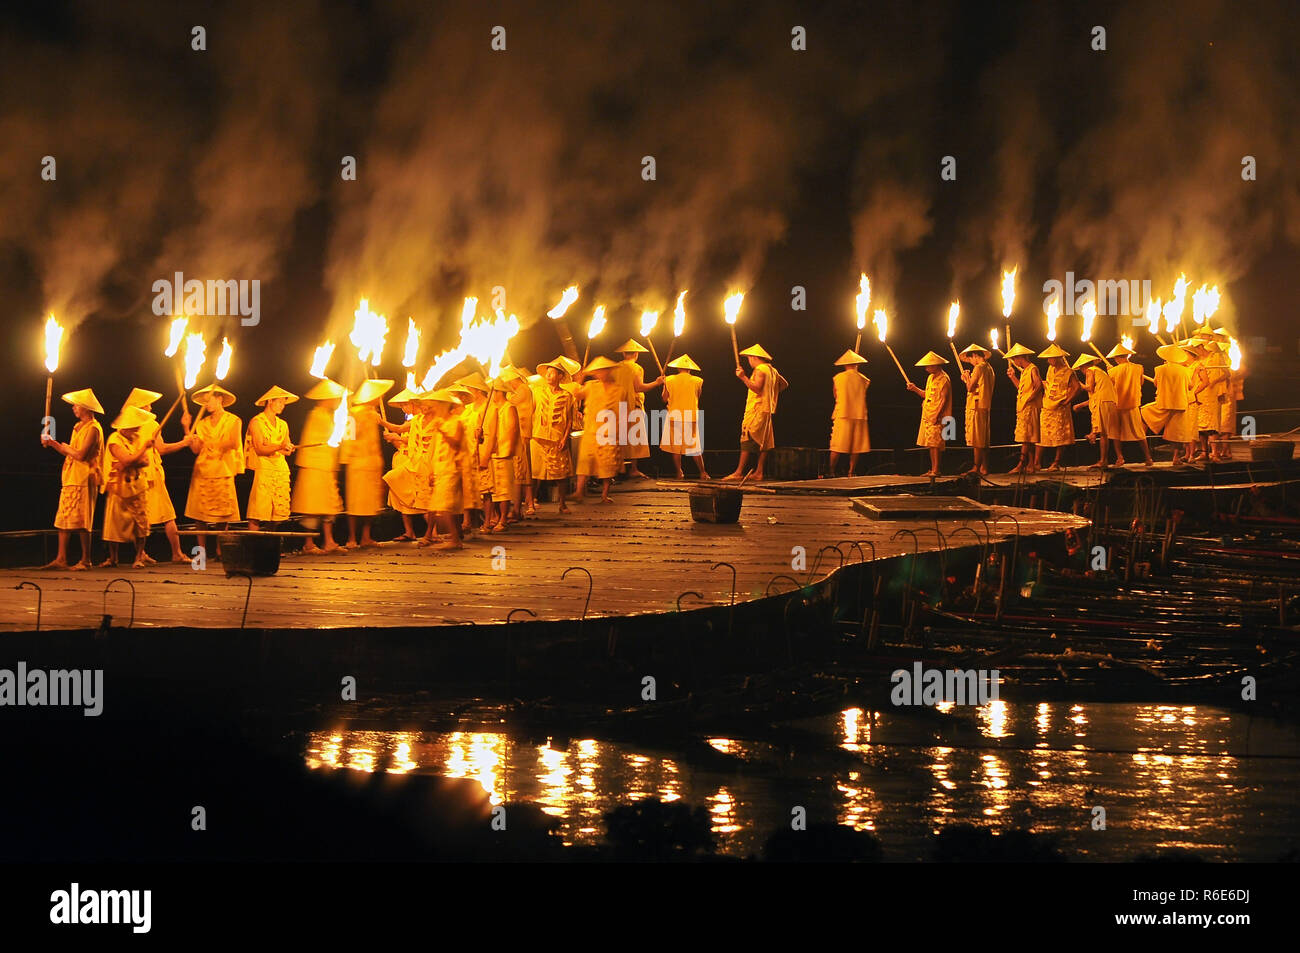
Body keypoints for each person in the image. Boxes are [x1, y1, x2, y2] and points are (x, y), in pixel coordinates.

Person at [120, 388, 187, 563]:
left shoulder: (126, 425)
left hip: (137, 474)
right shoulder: (150, 424)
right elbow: (162, 449)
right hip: (150, 474)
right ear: (140, 407)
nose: (150, 408)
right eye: (148, 404)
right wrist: (184, 442)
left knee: (141, 517)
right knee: (167, 515)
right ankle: (176, 553)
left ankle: (141, 554)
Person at [41, 388, 105, 570]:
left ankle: (86, 560)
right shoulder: (78, 427)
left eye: (76, 405)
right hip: (70, 477)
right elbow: (69, 452)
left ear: (85, 407)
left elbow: (81, 455)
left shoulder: (94, 429)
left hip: (85, 477)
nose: (74, 408)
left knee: (82, 521)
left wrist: (65, 447)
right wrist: (52, 442)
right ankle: (61, 558)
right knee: (64, 517)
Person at [184, 384, 244, 558]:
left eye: (209, 400)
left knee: (222, 514)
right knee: (199, 513)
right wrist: (188, 429)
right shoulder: (202, 423)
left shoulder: (233, 420)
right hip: (202, 470)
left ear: (219, 399)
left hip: (223, 469)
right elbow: (196, 449)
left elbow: (233, 442)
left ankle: (220, 550)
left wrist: (212, 443)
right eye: (204, 402)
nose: (206, 404)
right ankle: (200, 554)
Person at [292, 378, 345, 553]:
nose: (337, 402)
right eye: (335, 398)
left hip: (325, 466)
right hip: (314, 466)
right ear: (326, 399)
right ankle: (309, 543)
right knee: (313, 507)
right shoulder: (317, 415)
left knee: (328, 505)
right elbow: (328, 438)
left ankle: (329, 541)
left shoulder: (328, 416)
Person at [723, 344, 787, 482]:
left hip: (756, 409)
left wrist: (743, 377)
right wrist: (770, 394)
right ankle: (759, 471)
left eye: (749, 358)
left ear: (754, 357)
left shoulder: (759, 369)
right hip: (767, 409)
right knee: (764, 441)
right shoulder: (772, 370)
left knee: (746, 438)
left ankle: (739, 472)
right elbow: (784, 384)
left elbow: (757, 389)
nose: (749, 361)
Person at [341, 378, 392, 548]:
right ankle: (351, 538)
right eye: (378, 396)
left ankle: (366, 536)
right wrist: (347, 459)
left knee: (371, 503)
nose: (380, 398)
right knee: (356, 503)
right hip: (357, 464)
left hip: (372, 463)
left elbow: (380, 436)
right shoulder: (353, 413)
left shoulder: (374, 414)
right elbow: (347, 438)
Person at [101, 405, 153, 569]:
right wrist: (140, 451)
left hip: (138, 485)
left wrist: (134, 458)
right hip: (119, 486)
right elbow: (126, 460)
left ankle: (138, 557)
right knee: (113, 523)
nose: (137, 428)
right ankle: (113, 558)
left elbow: (145, 461)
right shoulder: (115, 439)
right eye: (134, 426)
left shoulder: (137, 438)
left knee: (141, 524)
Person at [245, 385, 297, 532]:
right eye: (279, 402)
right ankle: (252, 548)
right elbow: (260, 449)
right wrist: (279, 446)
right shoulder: (256, 422)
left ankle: (269, 547)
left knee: (276, 514)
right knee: (258, 511)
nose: (282, 406)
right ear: (270, 401)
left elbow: (286, 451)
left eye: (284, 403)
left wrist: (288, 447)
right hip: (264, 468)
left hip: (280, 468)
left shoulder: (283, 424)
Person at [574, 356, 624, 503]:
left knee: (607, 464)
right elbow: (577, 394)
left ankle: (604, 494)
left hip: (609, 431)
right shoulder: (590, 385)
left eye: (602, 371)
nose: (600, 374)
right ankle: (578, 492)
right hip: (590, 429)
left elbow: (623, 412)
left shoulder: (619, 389)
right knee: (584, 461)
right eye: (597, 371)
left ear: (609, 371)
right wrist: (579, 380)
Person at [612, 340, 662, 479]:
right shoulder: (636, 368)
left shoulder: (615, 367)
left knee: (620, 437)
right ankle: (633, 469)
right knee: (634, 438)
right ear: (636, 354)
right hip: (632, 406)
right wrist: (656, 383)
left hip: (616, 406)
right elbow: (639, 387)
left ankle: (618, 469)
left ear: (623, 353)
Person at [532, 358, 577, 511]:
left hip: (557, 438)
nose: (548, 376)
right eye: (547, 373)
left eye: (552, 373)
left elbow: (570, 420)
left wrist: (565, 438)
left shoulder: (567, 396)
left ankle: (562, 503)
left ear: (560, 376)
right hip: (538, 437)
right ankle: (531, 501)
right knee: (536, 472)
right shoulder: (537, 392)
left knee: (561, 472)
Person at [380, 387, 423, 541]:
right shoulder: (410, 421)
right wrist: (394, 440)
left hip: (416, 462)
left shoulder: (422, 419)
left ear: (413, 403)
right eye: (402, 405)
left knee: (419, 496)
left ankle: (434, 532)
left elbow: (408, 436)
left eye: (405, 404)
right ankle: (409, 531)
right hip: (402, 458)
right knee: (401, 496)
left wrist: (381, 422)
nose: (404, 408)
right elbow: (403, 443)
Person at [425, 390, 465, 551]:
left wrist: (442, 429)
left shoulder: (457, 422)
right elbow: (435, 449)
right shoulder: (439, 422)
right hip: (440, 468)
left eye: (438, 405)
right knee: (447, 505)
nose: (435, 408)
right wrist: (431, 470)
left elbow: (456, 443)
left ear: (446, 406)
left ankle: (455, 539)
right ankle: (456, 537)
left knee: (446, 505)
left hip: (452, 468)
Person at [1141, 344, 1194, 465]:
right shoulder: (1186, 370)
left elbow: (1156, 384)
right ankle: (1175, 458)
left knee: (1143, 415)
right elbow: (1190, 386)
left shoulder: (1159, 369)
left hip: (1163, 403)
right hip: (1180, 404)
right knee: (1178, 433)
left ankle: (1145, 454)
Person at [479, 379, 520, 531]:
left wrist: (507, 451)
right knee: (493, 490)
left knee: (504, 489)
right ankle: (496, 517)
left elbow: (512, 430)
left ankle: (503, 518)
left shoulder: (509, 407)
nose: (491, 395)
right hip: (492, 453)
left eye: (493, 391)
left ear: (499, 392)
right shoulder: (492, 409)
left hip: (503, 452)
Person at [661, 354, 709, 480]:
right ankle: (702, 472)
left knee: (677, 447)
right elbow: (698, 396)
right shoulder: (697, 380)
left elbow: (664, 398)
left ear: (678, 368)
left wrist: (665, 384)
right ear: (690, 369)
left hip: (675, 415)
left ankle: (679, 472)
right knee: (694, 446)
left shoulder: (669, 379)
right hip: (689, 415)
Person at [1106, 343, 1153, 466]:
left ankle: (1120, 457)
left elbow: (1110, 386)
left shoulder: (1113, 371)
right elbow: (1141, 383)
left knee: (1115, 432)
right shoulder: (1138, 367)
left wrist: (1110, 372)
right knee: (1139, 432)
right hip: (1133, 403)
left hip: (1118, 404)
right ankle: (1148, 458)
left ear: (1117, 358)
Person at [1070, 354, 1119, 468]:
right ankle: (1093, 434)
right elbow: (1095, 396)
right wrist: (1080, 405)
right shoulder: (1100, 372)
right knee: (1103, 430)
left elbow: (1089, 388)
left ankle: (1102, 461)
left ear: (1083, 367)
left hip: (1103, 402)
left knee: (1103, 433)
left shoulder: (1090, 371)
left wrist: (1079, 384)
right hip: (1108, 401)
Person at [907, 351, 951, 477]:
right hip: (928, 413)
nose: (926, 369)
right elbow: (926, 395)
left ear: (936, 365)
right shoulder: (930, 378)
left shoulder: (944, 379)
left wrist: (937, 415)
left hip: (938, 415)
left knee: (936, 443)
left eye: (928, 366)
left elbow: (944, 399)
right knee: (931, 443)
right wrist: (915, 389)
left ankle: (936, 470)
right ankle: (933, 469)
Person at [501, 366, 537, 516]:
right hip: (522, 434)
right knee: (523, 470)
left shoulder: (523, 390)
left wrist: (501, 392)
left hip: (522, 434)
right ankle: (529, 503)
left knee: (522, 471)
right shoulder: (521, 390)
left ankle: (526, 505)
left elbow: (508, 402)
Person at [1036, 344, 1079, 471]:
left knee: (1060, 436)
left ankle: (1056, 462)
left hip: (1060, 407)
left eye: (1050, 358)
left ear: (1057, 358)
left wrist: (1067, 401)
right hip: (1046, 405)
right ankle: (1036, 462)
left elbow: (1077, 387)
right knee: (1042, 434)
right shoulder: (1050, 369)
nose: (1048, 361)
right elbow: (1049, 384)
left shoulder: (1069, 372)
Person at [828, 349, 870, 477]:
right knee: (856, 446)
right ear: (857, 364)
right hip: (859, 414)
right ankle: (851, 471)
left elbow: (835, 395)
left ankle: (831, 471)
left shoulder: (838, 378)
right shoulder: (864, 379)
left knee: (837, 445)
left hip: (843, 413)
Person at [1004, 344, 1042, 474]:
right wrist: (1013, 377)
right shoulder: (1025, 371)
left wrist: (1029, 399)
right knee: (1028, 437)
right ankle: (1030, 465)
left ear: (1020, 357)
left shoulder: (1032, 369)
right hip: (1023, 408)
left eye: (1015, 359)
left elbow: (1038, 386)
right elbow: (1021, 387)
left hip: (1030, 408)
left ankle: (1021, 464)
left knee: (1026, 438)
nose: (1014, 362)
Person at [958, 343, 994, 475]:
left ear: (975, 356)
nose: (970, 362)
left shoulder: (979, 368)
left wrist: (966, 378)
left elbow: (970, 388)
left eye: (970, 359)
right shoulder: (989, 368)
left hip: (977, 406)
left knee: (977, 439)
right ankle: (984, 467)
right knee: (983, 439)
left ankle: (976, 467)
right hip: (984, 406)